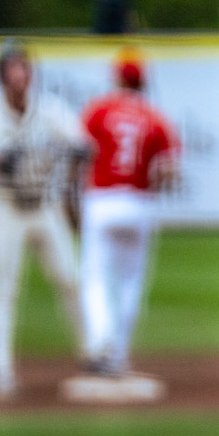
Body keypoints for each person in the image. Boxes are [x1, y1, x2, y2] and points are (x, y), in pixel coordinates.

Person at [0, 39, 91, 402]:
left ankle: (90, 355)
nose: (19, 73)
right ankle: (2, 374)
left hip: (45, 206)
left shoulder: (48, 109)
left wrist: (70, 189)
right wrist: (1, 159)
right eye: (12, 67)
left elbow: (83, 144)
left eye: (23, 66)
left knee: (70, 279)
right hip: (7, 210)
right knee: (5, 289)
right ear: (1, 76)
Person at [78, 50, 177, 380]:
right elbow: (168, 169)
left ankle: (101, 341)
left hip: (102, 199)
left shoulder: (99, 110)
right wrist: (153, 185)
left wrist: (71, 199)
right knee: (131, 282)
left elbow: (79, 154)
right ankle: (118, 356)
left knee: (96, 277)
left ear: (118, 77)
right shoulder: (155, 117)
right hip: (139, 202)